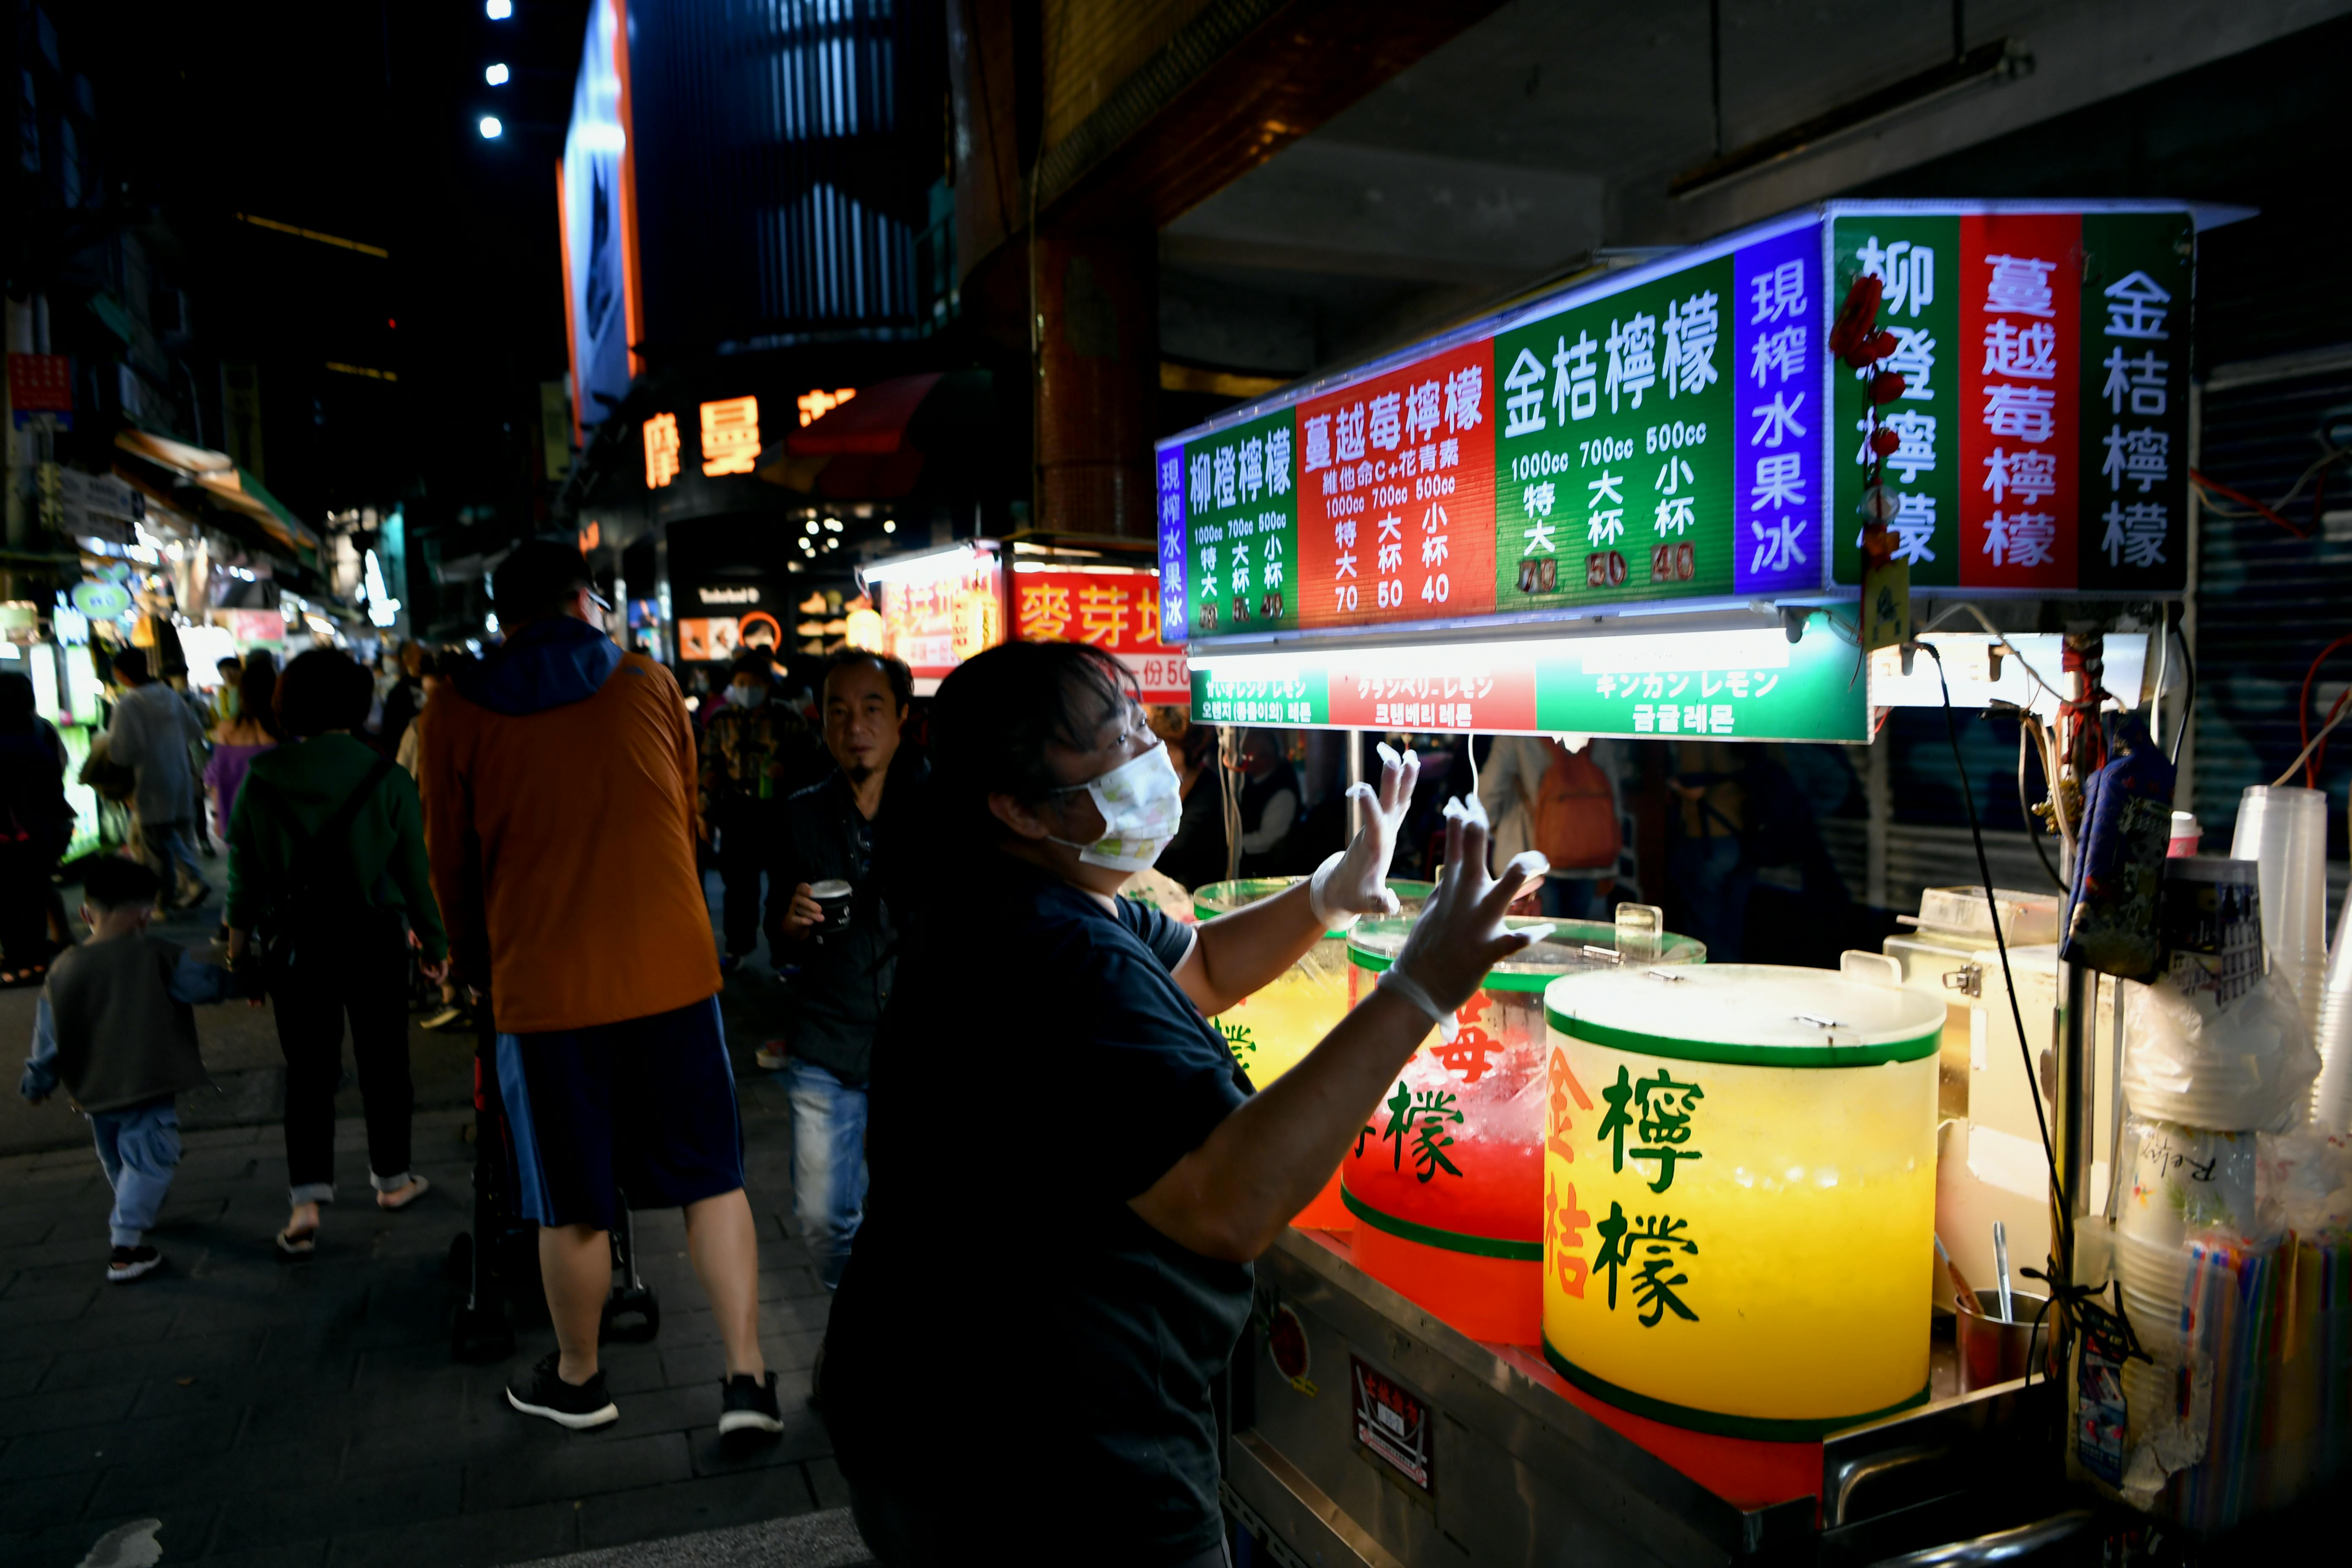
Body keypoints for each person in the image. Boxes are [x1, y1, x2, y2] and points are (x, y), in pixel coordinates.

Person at [819, 641, 1547, 1564]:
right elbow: (1228, 1201)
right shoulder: (1051, 952)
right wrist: (1417, 990)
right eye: (1109, 745)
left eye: (1139, 727)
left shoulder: (1038, 891)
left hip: (932, 1407)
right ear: (1013, 803)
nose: (1146, 754)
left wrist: (1328, 892)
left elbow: (1198, 965)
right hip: (1041, 1460)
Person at [420, 539, 782, 1439]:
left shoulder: (454, 710)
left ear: (503, 615)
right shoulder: (649, 683)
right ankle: (747, 1380)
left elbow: (451, 864)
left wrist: (473, 963)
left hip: (547, 989)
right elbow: (687, 817)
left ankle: (580, 1378)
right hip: (671, 971)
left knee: (571, 1196)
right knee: (713, 1176)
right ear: (585, 602)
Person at [227, 649, 444, 1259]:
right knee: (384, 1063)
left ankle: (306, 1203)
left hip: (295, 945)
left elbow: (243, 880)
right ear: (359, 702)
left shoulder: (263, 779)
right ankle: (394, 1180)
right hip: (375, 940)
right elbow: (413, 872)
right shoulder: (385, 777)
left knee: (308, 1072)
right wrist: (435, 944)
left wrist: (239, 956)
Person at [764, 648, 920, 1290]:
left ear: (903, 717)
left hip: (920, 1047)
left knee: (919, 1216)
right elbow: (779, 935)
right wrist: (792, 924)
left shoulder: (938, 807)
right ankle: (855, 1322)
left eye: (872, 708)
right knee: (826, 1218)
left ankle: (885, 1349)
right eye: (839, 710)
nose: (855, 724)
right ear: (822, 722)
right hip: (829, 1043)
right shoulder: (800, 814)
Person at [19, 857, 240, 1282]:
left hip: (95, 1093)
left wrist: (38, 1082)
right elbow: (206, 986)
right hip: (147, 1083)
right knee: (153, 1158)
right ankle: (127, 1246)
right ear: (146, 914)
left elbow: (48, 1039)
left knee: (120, 1159)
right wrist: (245, 979)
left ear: (86, 914)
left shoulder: (63, 968)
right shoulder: (159, 956)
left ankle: (136, 1210)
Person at [699, 648, 815, 970]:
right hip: (737, 809)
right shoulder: (722, 719)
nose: (747, 688)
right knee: (738, 886)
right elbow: (709, 767)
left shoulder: (789, 718)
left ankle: (784, 954)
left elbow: (813, 760)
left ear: (767, 684)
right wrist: (705, 813)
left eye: (754, 682)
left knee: (783, 885)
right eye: (741, 682)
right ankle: (738, 948)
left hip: (779, 812)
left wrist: (787, 769)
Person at [103, 648, 210, 912]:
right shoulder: (170, 696)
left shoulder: (128, 705)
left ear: (121, 673)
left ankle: (174, 894)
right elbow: (195, 730)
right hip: (177, 775)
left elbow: (120, 753)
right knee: (166, 836)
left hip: (147, 782)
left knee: (156, 844)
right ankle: (178, 891)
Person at [1478, 735, 1622, 919]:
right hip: (1589, 856)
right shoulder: (1591, 728)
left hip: (1531, 860)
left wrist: (1492, 827)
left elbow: (1490, 791)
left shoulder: (1515, 734)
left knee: (1540, 944)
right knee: (1579, 938)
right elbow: (1613, 798)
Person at [0, 672, 74, 987]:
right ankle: (34, 962)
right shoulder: (40, 732)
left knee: (7, 900)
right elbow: (56, 777)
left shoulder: (5, 742)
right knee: (32, 896)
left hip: (10, 833)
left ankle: (19, 963)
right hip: (43, 828)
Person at [202, 652, 281, 850]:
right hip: (280, 824)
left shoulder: (227, 730)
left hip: (239, 821)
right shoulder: (287, 729)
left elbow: (218, 777)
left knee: (244, 877)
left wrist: (218, 818)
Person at [1229, 727, 1301, 876]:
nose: (1242, 761)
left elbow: (1267, 840)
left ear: (1265, 758)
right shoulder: (1251, 780)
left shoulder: (1283, 792)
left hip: (1266, 874)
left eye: (1247, 756)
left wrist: (1230, 842)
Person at [378, 642, 427, 761]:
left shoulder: (435, 688)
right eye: (420, 655)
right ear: (407, 659)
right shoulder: (398, 694)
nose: (425, 658)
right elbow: (391, 734)